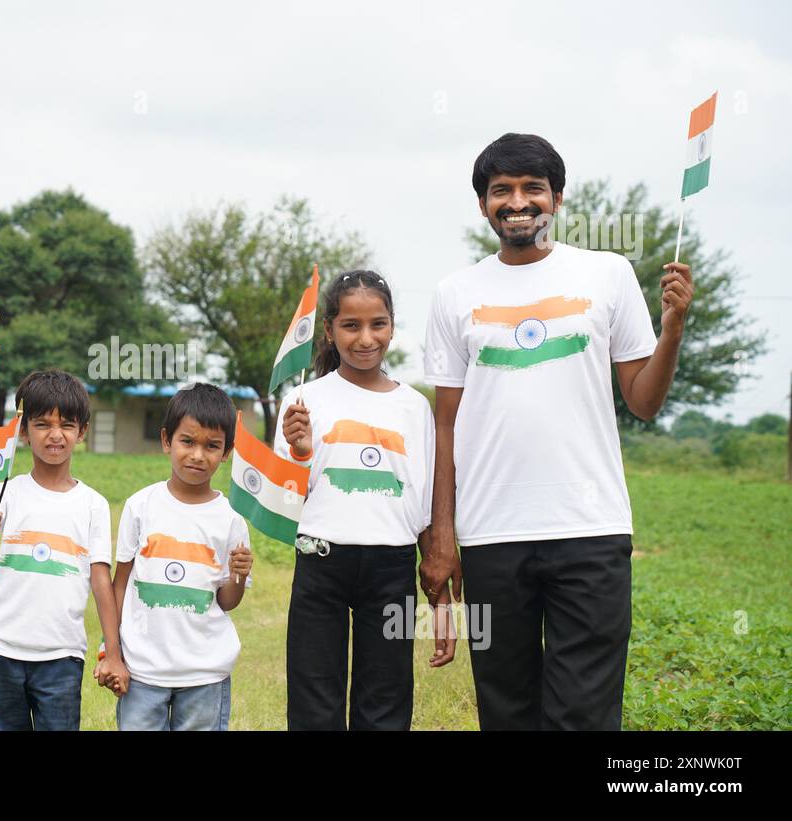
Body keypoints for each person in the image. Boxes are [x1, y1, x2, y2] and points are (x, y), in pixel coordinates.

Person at [422, 132, 694, 730]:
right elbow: (445, 423)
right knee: (507, 709)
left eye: (532, 189)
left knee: (586, 713)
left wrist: (671, 329)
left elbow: (643, 402)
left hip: (591, 530)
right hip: (491, 534)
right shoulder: (455, 293)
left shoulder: (609, 274)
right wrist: (442, 534)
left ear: (557, 198)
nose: (517, 202)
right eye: (502, 191)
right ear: (483, 205)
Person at [276, 270, 445, 731]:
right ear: (329, 330)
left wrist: (441, 593)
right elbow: (284, 502)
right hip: (320, 561)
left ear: (392, 326)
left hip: (392, 566)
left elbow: (426, 501)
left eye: (378, 324)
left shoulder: (415, 408)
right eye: (351, 325)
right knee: (314, 693)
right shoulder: (303, 402)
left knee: (386, 694)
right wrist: (301, 451)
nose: (366, 338)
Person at [0, 369, 126, 730]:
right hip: (1, 648)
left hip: (61, 655)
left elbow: (100, 580)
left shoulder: (93, 504)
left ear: (81, 432)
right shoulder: (7, 491)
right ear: (23, 432)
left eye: (66, 424)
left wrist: (113, 651)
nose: (55, 434)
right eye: (42, 423)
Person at [110, 383, 253, 731]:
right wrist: (112, 651)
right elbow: (121, 583)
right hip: (143, 668)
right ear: (166, 441)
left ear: (228, 451)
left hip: (205, 672)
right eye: (187, 441)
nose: (198, 455)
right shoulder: (141, 506)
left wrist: (237, 576)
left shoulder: (230, 520)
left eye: (212, 446)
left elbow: (227, 601)